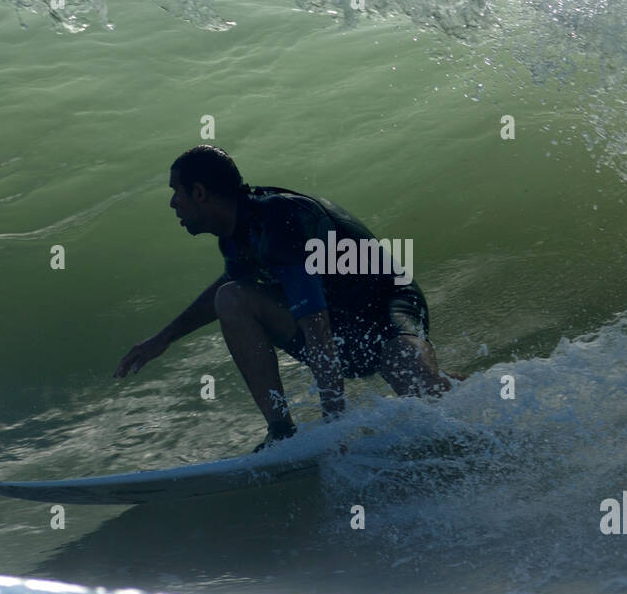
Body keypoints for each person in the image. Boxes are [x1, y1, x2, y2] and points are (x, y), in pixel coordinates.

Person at [114, 145, 460, 452]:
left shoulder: (282, 219)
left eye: (177, 191)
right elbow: (228, 292)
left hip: (384, 309)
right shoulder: (235, 237)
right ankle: (281, 431)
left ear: (200, 192)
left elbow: (317, 327)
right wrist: (164, 339)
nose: (173, 202)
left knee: (420, 390)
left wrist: (334, 429)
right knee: (230, 298)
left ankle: (464, 393)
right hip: (340, 328)